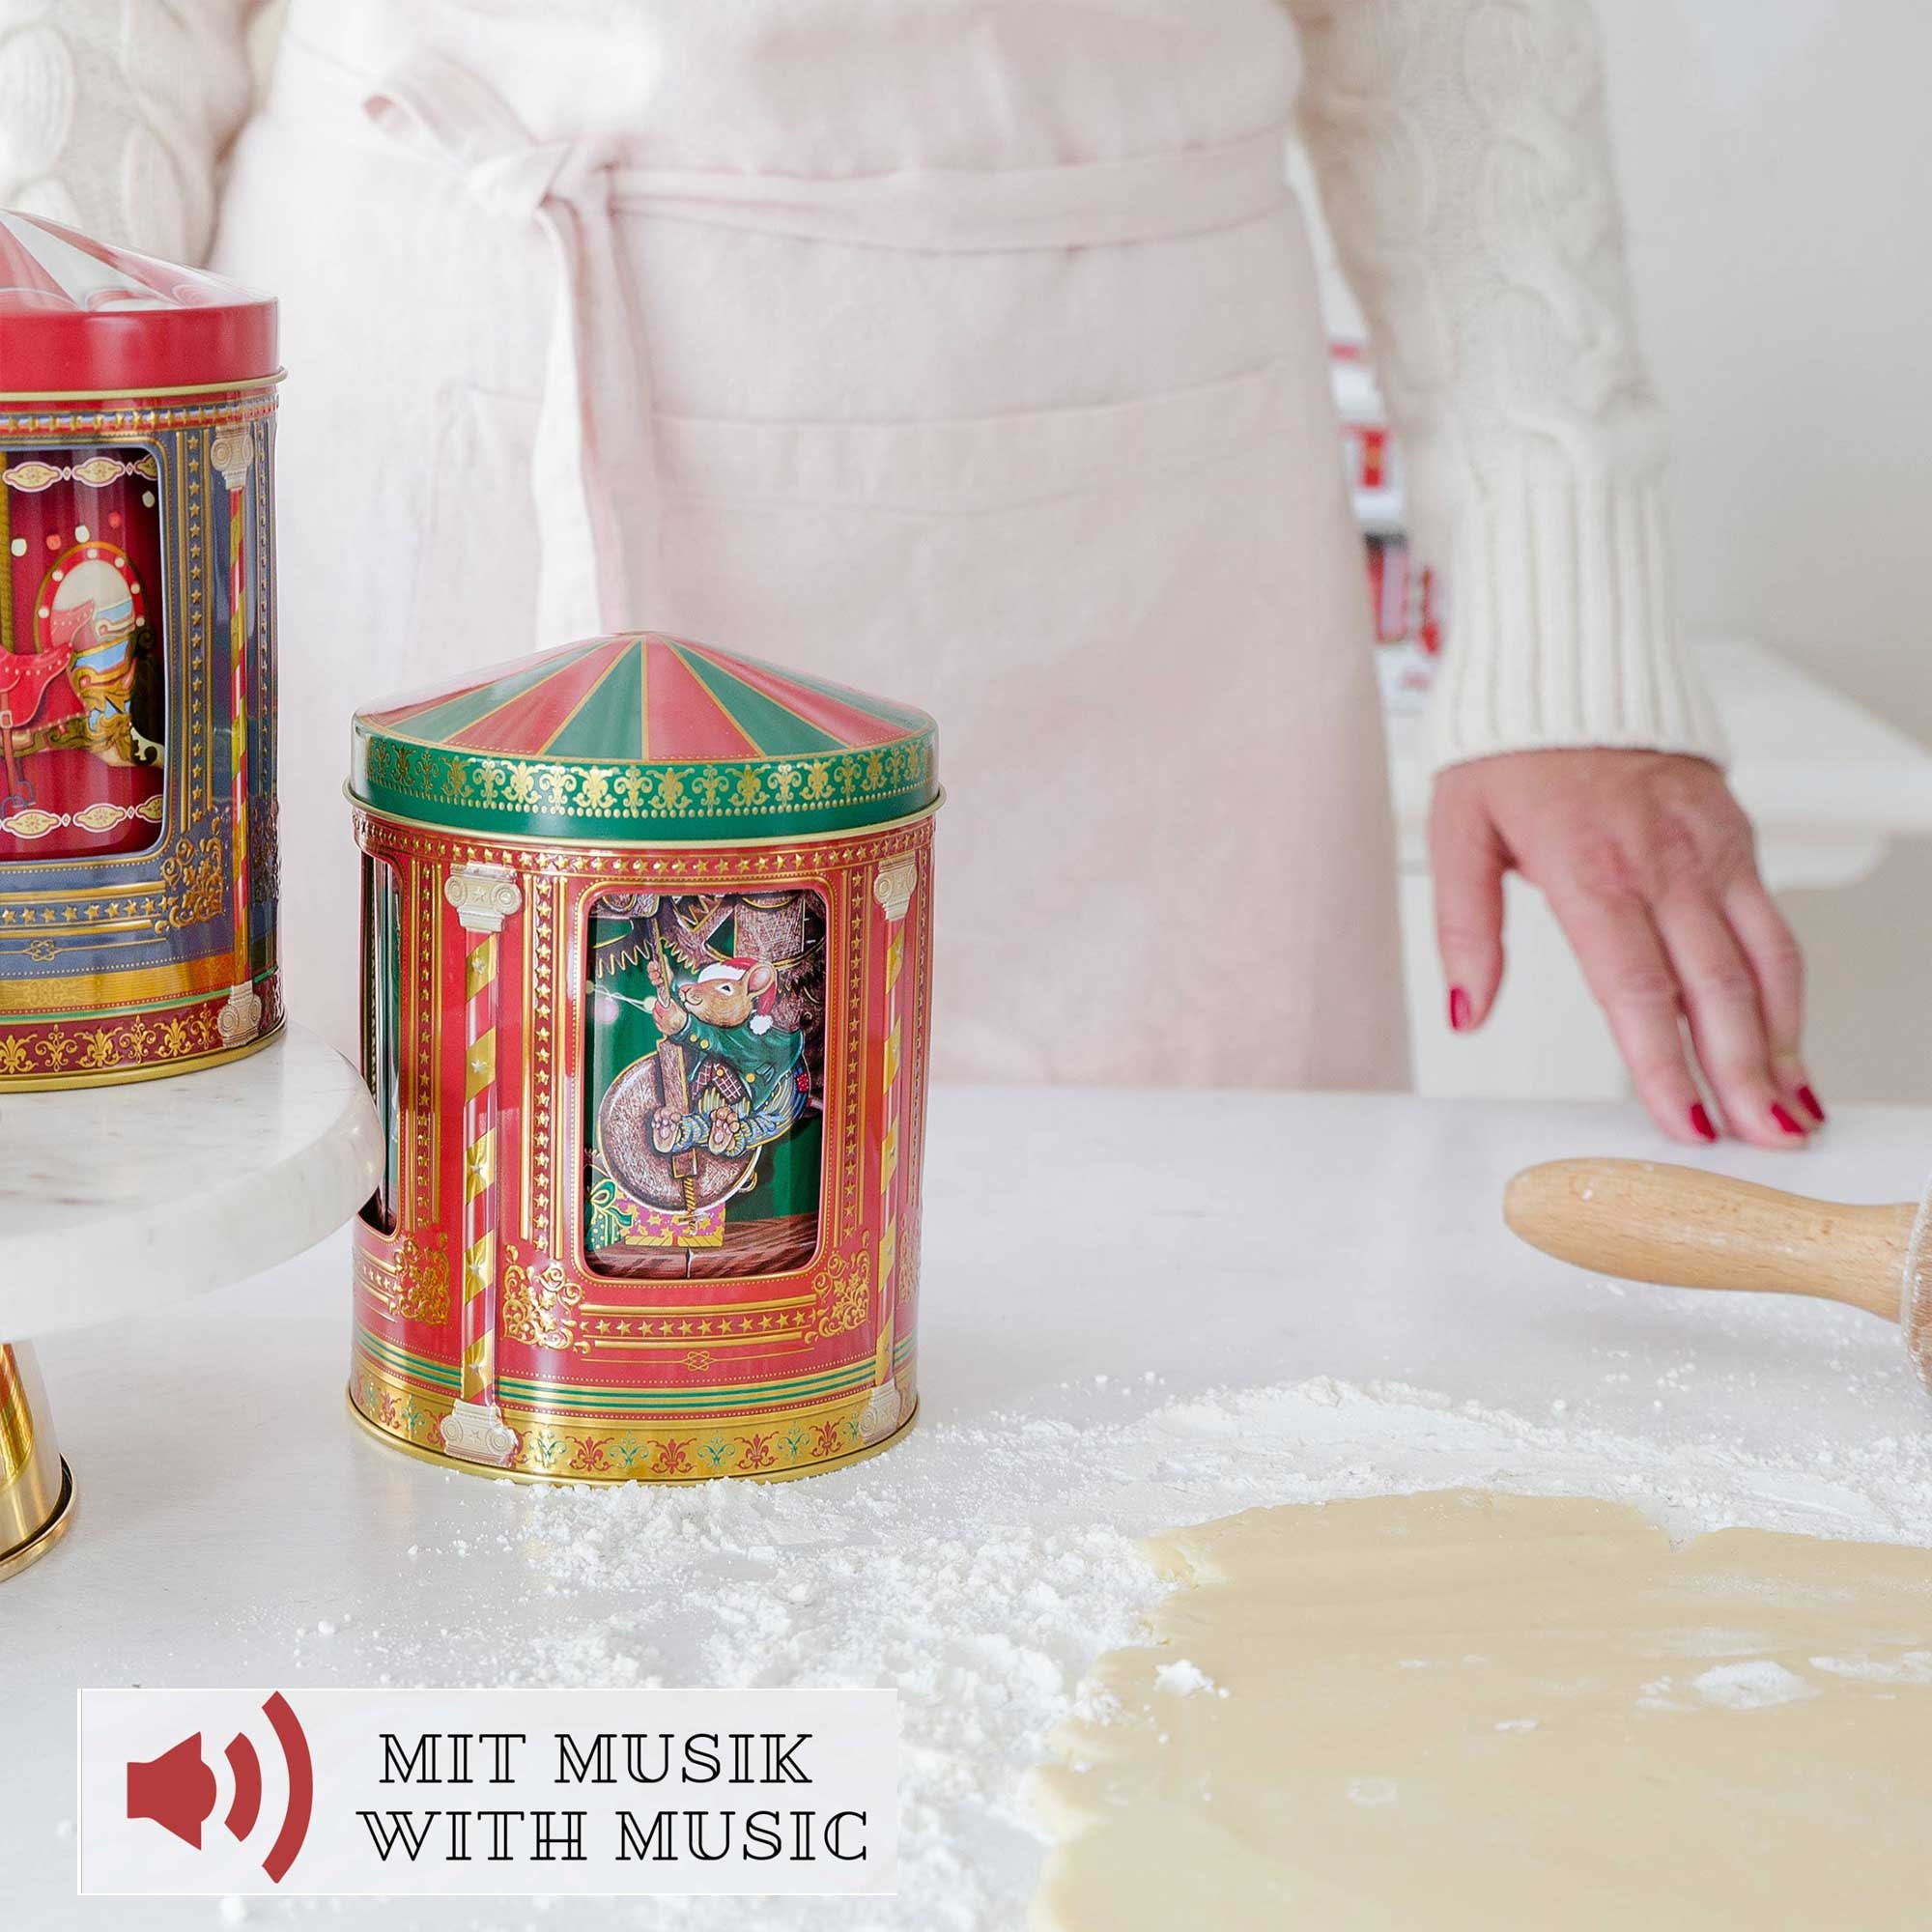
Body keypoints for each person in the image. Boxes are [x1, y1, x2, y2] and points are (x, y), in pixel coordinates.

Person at [2, 0, 1817, 1147]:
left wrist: (1567, 612)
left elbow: (1463, 38)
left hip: (1123, 574)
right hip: (428, 465)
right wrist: (40, 534)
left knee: (1178, 1386)